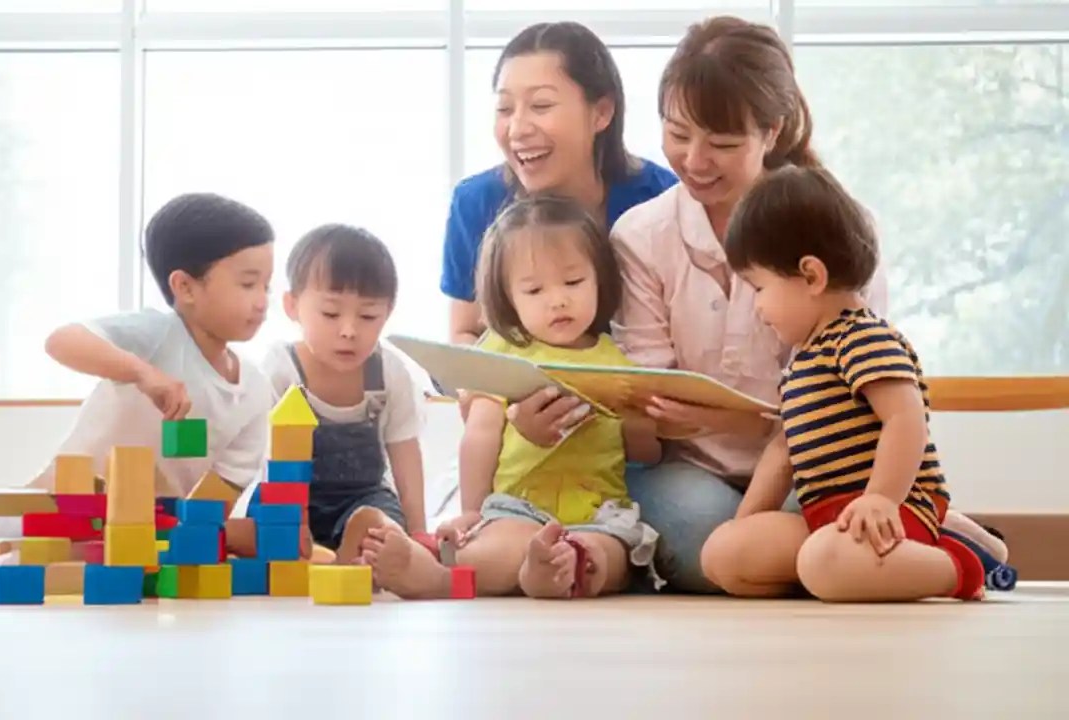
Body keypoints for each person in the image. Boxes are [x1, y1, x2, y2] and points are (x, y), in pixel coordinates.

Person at [501, 15, 1006, 593]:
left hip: (817, 465)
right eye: (677, 133)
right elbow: (648, 388)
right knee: (704, 544)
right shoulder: (641, 235)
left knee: (806, 532)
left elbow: (856, 393)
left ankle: (910, 549)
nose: (694, 160)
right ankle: (887, 554)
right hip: (690, 468)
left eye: (722, 143)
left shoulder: (833, 225)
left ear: (773, 130)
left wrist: (739, 418)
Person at [704, 165, 985, 601]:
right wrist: (748, 521)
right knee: (723, 554)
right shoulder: (802, 362)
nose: (756, 307)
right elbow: (784, 451)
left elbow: (905, 419)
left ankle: (960, 566)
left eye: (758, 288)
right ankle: (849, 570)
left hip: (889, 513)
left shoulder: (863, 337)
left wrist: (881, 499)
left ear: (812, 276)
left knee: (826, 561)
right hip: (824, 519)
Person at [363, 195, 663, 599]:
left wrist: (641, 417)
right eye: (534, 289)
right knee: (502, 545)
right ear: (508, 298)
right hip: (519, 506)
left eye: (574, 283)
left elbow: (646, 451)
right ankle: (444, 579)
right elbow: (480, 435)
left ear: (600, 280)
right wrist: (473, 508)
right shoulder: (502, 354)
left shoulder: (615, 359)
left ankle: (556, 571)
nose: (558, 299)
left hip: (599, 513)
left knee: (608, 557)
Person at [0, 193, 306, 559]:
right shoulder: (157, 334)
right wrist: (142, 373)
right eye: (248, 284)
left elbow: (212, 506)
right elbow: (61, 341)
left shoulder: (253, 390)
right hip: (40, 525)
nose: (262, 301)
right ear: (185, 287)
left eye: (265, 285)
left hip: (127, 547)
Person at [440, 20, 676, 346]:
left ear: (602, 113)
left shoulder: (660, 198)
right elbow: (465, 333)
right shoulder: (475, 202)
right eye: (504, 108)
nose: (517, 129)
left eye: (541, 105)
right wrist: (489, 392)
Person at [261, 224, 427, 565]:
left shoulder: (389, 373)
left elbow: (405, 454)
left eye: (368, 316)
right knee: (265, 531)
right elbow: (264, 460)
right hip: (294, 501)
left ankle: (353, 553)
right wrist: (288, 520)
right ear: (292, 306)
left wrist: (419, 534)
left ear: (388, 313)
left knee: (384, 527)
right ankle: (321, 557)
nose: (349, 331)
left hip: (364, 499)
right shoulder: (281, 368)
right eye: (330, 314)